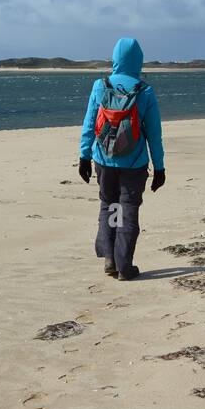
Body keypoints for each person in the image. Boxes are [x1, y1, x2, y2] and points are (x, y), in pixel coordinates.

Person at [78, 37, 165, 280]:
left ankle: (109, 259)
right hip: (134, 164)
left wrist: (84, 156)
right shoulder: (145, 91)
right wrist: (160, 168)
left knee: (110, 205)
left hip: (104, 161)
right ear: (138, 61)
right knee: (127, 210)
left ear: (115, 59)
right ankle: (124, 265)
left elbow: (88, 124)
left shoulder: (100, 86)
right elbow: (155, 135)